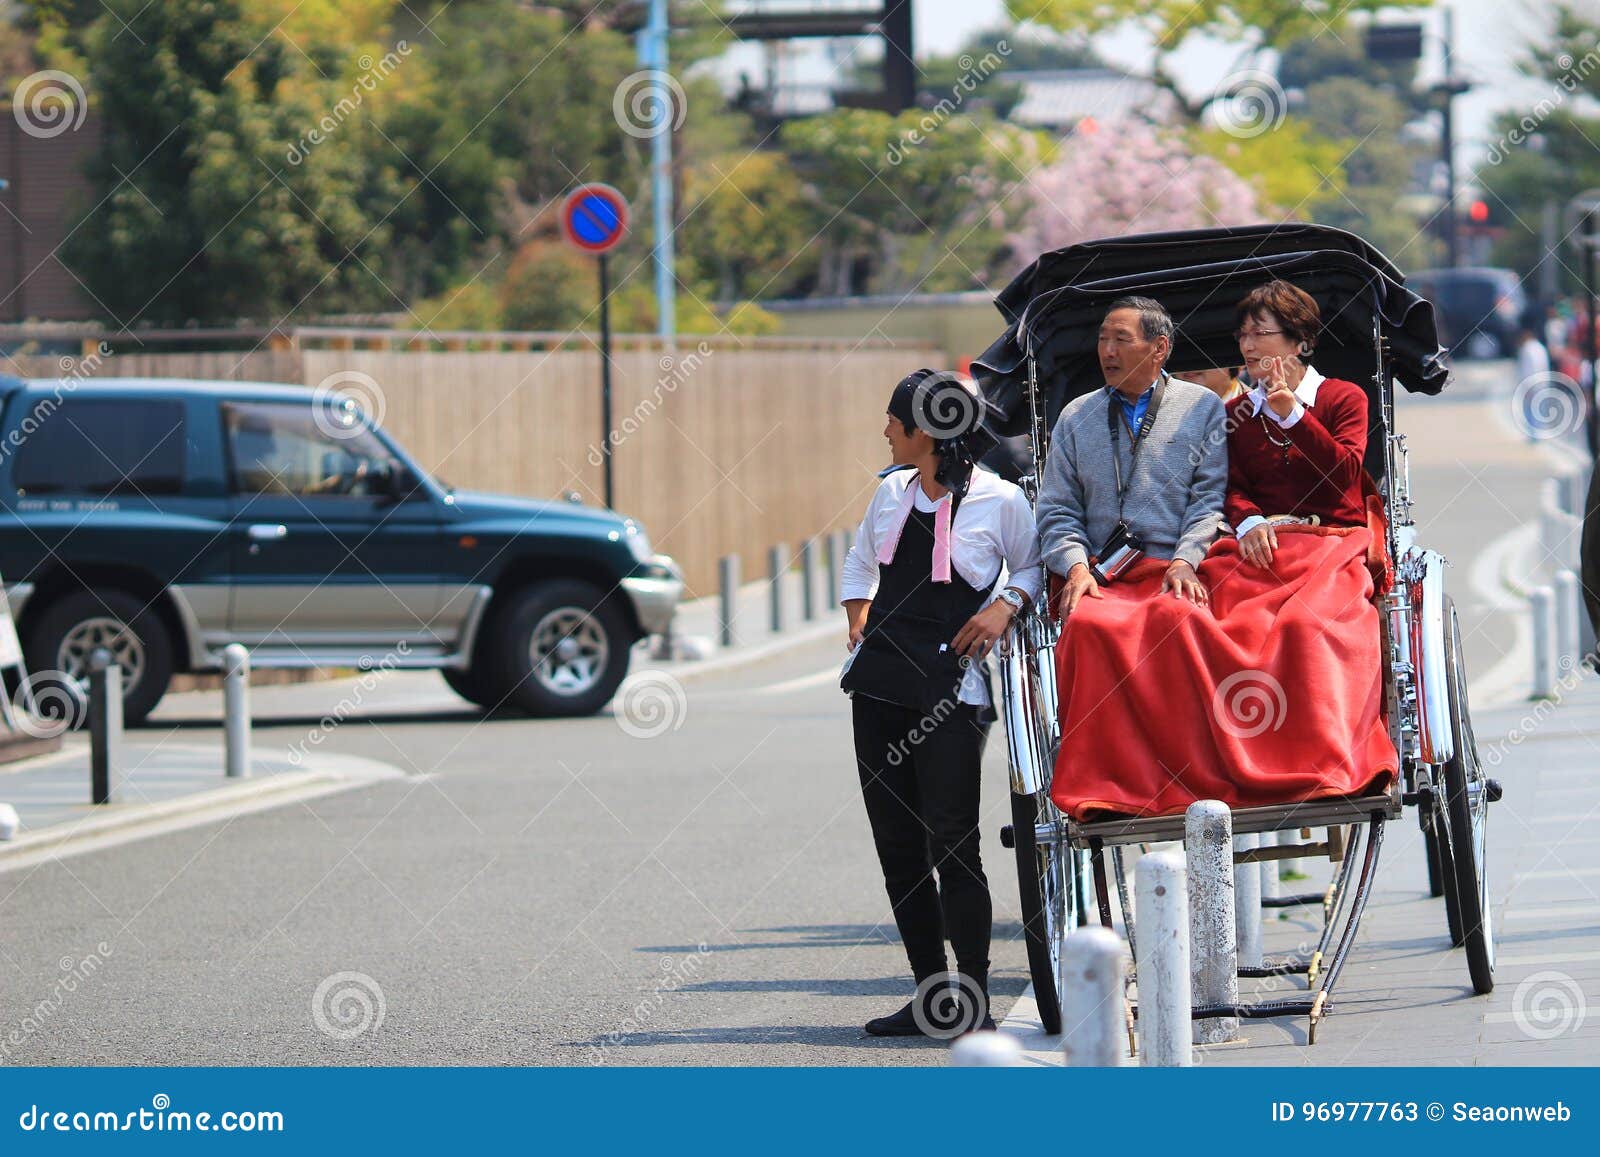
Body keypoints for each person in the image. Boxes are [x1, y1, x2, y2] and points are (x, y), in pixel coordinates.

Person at [839, 369, 1042, 1038]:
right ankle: (931, 993)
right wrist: (857, 610)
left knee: (952, 841)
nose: (885, 431)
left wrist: (1003, 607)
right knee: (897, 844)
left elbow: (1035, 563)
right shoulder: (892, 493)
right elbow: (860, 560)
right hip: (878, 686)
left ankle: (974, 994)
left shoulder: (1001, 500)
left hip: (953, 692)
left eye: (893, 422)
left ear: (923, 431)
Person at [1035, 295, 1227, 614]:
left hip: (1175, 567)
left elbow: (1208, 500)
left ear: (1159, 348)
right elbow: (1057, 508)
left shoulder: (1202, 407)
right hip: (1099, 572)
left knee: (1180, 615)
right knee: (1087, 623)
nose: (1108, 351)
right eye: (1103, 340)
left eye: (1121, 340)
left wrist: (1185, 560)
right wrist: (1076, 567)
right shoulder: (1076, 415)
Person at [1225, 279, 1372, 567]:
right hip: (1265, 547)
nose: (1247, 346)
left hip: (1335, 544)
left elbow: (1344, 476)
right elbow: (1230, 487)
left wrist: (1294, 416)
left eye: (1259, 333)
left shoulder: (1344, 398)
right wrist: (1249, 520)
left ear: (1299, 341)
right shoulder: (1234, 413)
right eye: (1242, 335)